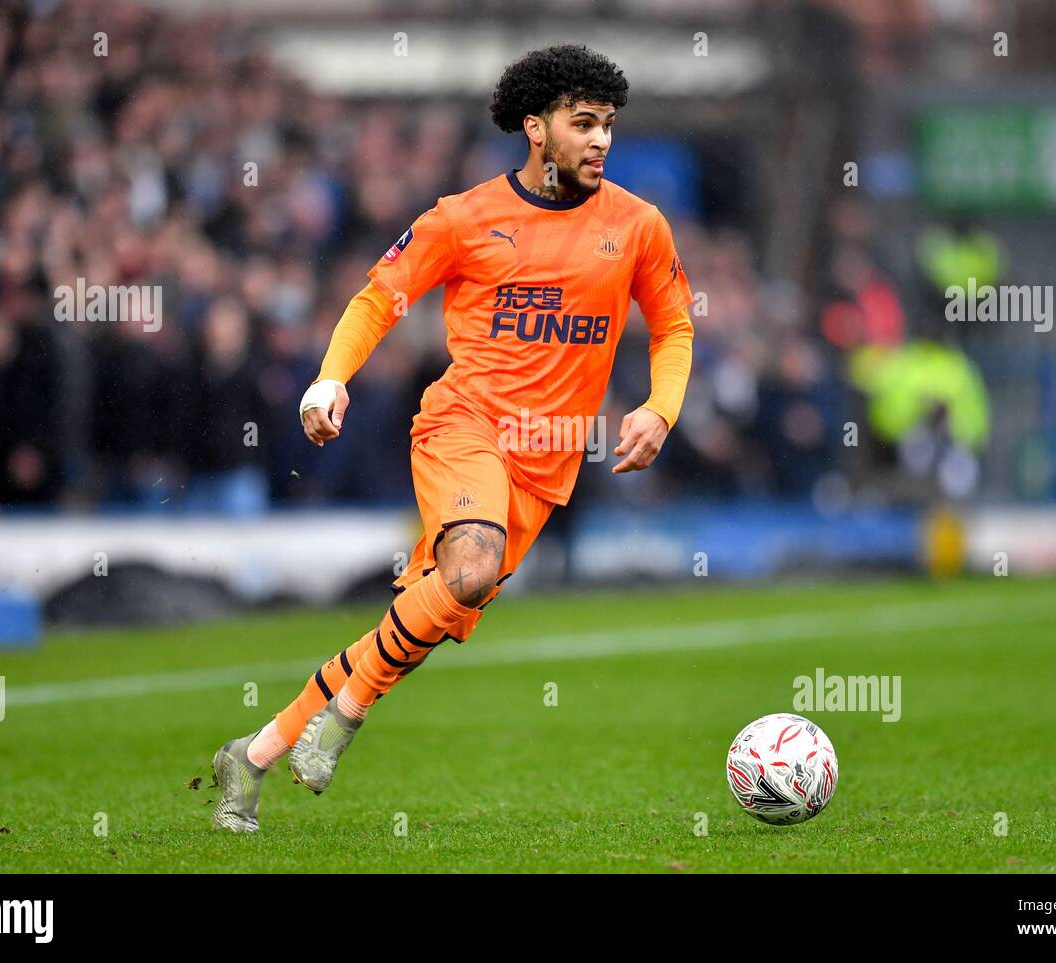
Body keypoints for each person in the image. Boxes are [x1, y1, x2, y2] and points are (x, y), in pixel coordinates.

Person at [211, 44, 696, 832]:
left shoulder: (638, 226)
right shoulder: (464, 218)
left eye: (607, 124)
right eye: (583, 124)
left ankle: (256, 752)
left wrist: (659, 407)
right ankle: (343, 721)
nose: (601, 140)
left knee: (420, 625)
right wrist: (330, 377)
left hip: (549, 463)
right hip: (462, 426)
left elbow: (673, 324)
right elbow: (379, 297)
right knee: (466, 571)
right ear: (536, 130)